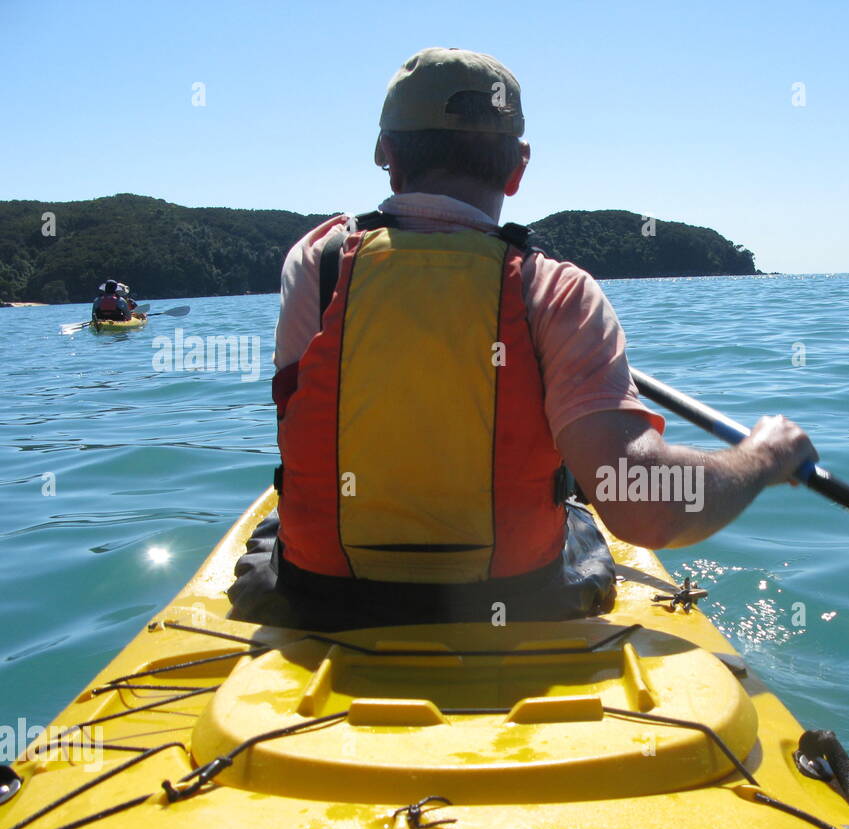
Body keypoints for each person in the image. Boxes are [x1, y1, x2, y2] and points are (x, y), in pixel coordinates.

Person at [229, 47, 816, 629]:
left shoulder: (316, 262)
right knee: (578, 508)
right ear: (519, 166)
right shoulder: (558, 293)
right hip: (511, 603)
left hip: (321, 598)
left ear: (386, 154)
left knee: (272, 529)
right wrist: (762, 457)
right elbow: (649, 510)